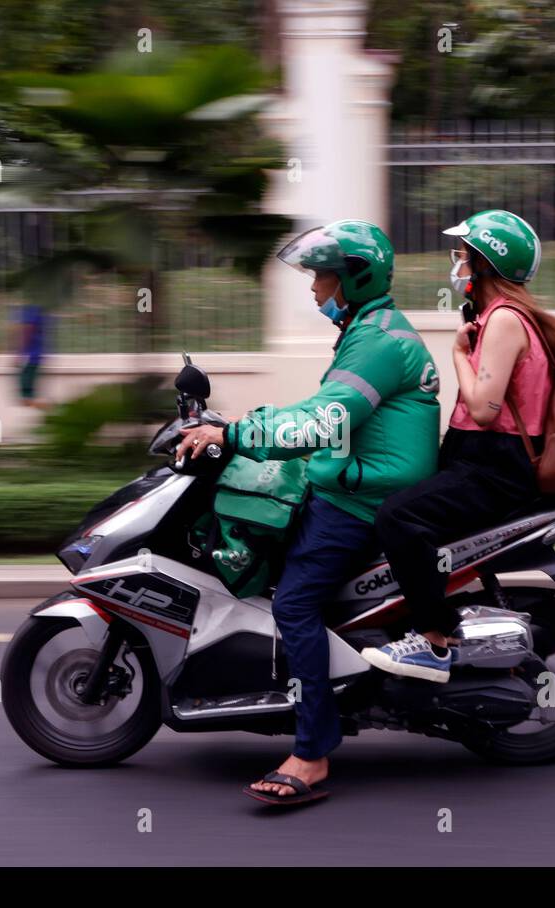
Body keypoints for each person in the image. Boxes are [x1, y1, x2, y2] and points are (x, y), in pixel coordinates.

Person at [176, 220, 439, 805]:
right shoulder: (370, 330)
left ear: (354, 278)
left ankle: (312, 752)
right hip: (351, 483)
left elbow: (326, 422)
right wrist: (238, 423)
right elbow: (324, 407)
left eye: (322, 275)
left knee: (293, 601)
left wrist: (235, 433)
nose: (314, 287)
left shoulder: (378, 342)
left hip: (361, 499)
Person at [362, 209, 555, 683]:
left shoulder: (504, 319)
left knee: (399, 517)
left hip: (493, 468)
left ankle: (433, 641)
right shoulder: (498, 317)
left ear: (487, 263)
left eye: (464, 255)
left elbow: (484, 408)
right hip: (478, 459)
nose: (457, 263)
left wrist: (459, 354)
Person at [15, 303, 49, 409]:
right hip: (36, 356)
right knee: (27, 396)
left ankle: (51, 409)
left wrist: (19, 354)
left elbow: (28, 331)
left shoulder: (32, 310)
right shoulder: (39, 310)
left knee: (26, 397)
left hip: (30, 358)